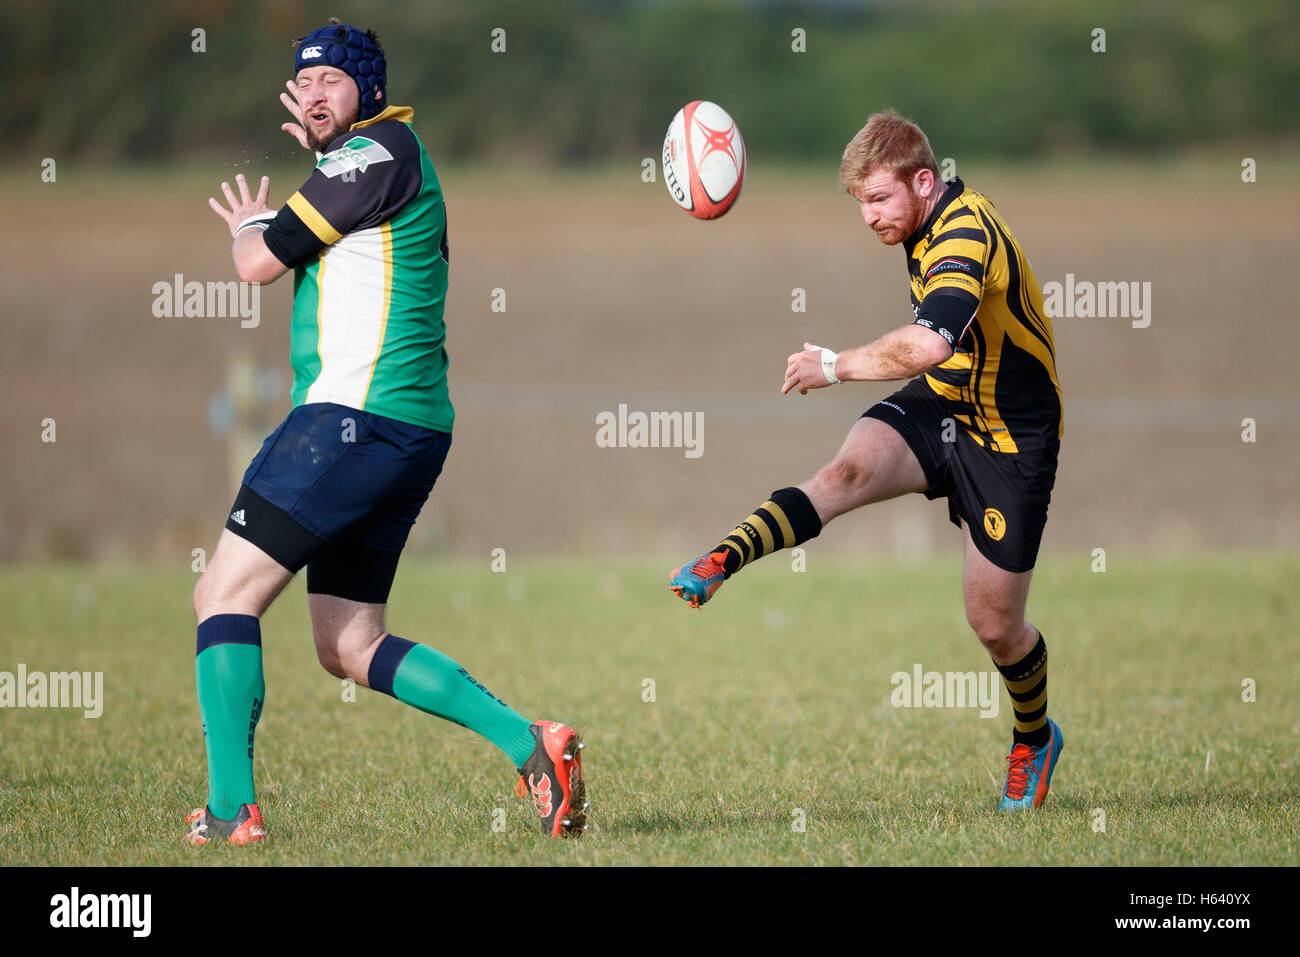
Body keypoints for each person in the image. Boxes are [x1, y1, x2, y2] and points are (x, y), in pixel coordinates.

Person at [191, 19, 586, 843]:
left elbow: (259, 264)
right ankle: (533, 746)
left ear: (369, 88)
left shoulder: (377, 152)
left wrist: (244, 227)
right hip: (403, 430)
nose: (314, 93)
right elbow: (344, 222)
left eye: (332, 79)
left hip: (350, 422)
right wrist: (319, 159)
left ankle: (232, 810)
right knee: (349, 642)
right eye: (303, 83)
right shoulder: (378, 160)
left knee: (221, 593)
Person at [669, 109, 1063, 811]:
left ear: (922, 181)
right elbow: (939, 361)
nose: (869, 217)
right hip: (944, 403)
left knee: (995, 624)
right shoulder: (924, 220)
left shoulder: (966, 230)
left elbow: (931, 342)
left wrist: (836, 363)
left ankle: (1033, 737)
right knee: (843, 472)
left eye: (879, 198)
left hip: (1011, 436)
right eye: (860, 203)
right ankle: (722, 559)